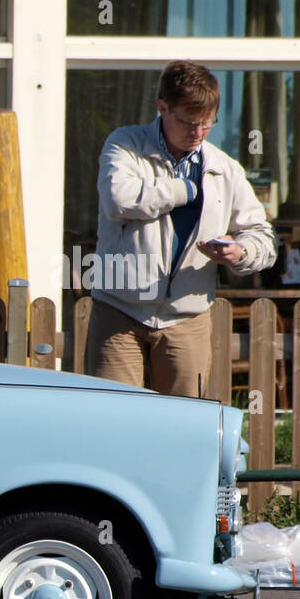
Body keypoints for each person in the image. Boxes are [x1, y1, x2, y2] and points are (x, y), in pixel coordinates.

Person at [88, 60, 277, 397]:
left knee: (182, 426)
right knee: (111, 421)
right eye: (190, 122)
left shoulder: (224, 168)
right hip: (119, 309)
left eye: (208, 124)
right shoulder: (125, 144)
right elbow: (118, 199)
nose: (198, 133)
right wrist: (184, 189)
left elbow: (263, 237)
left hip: (188, 318)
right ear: (163, 107)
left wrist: (240, 252)